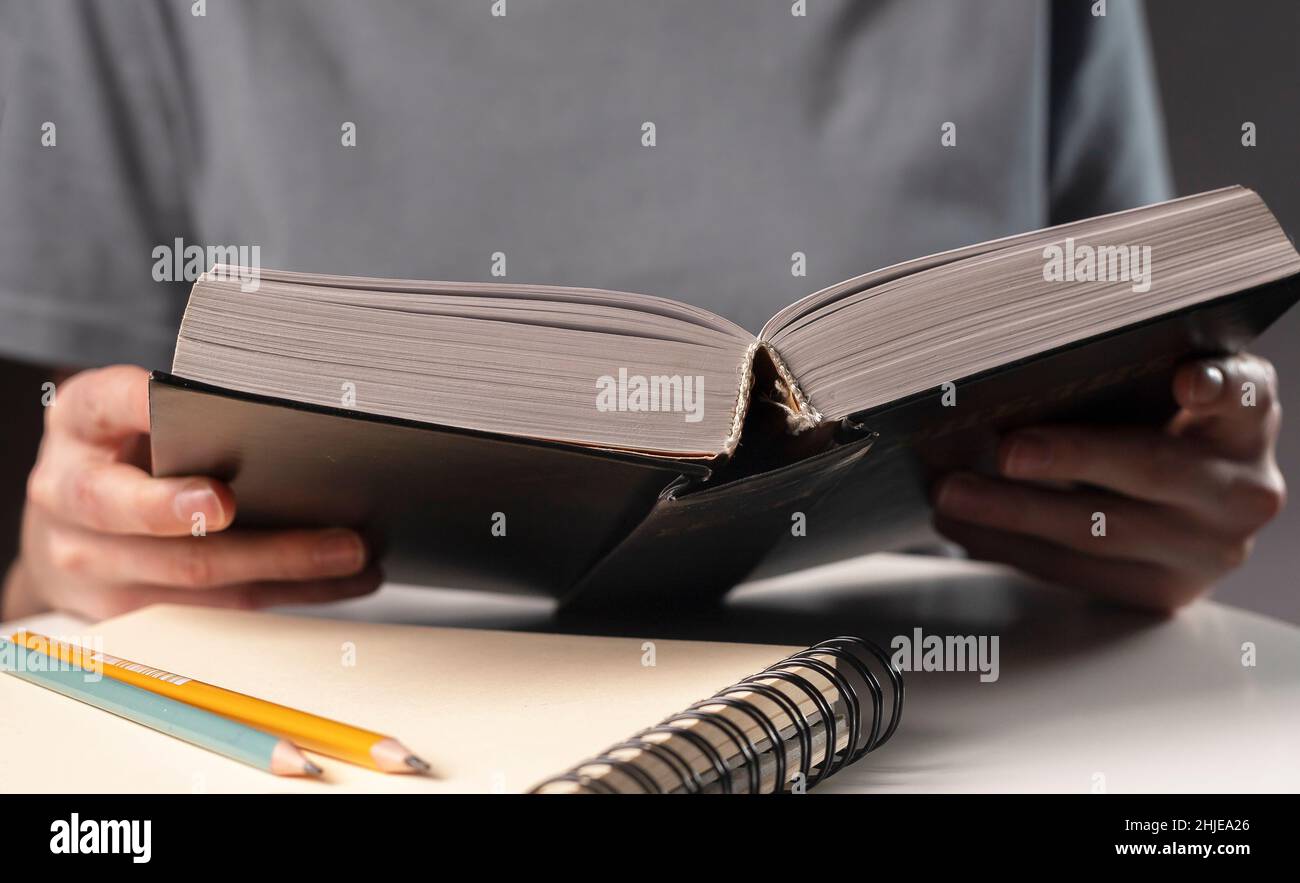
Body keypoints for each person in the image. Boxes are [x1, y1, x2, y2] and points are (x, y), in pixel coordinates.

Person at [0, 1, 1285, 620]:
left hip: (921, 716)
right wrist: (62, 579)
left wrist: (1149, 520)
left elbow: (1112, 382)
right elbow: (66, 557)